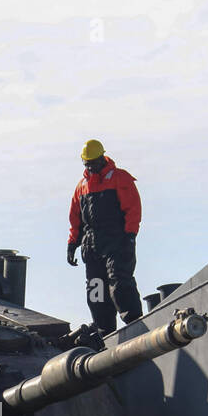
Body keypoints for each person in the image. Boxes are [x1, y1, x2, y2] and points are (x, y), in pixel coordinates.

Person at [66, 139, 143, 335]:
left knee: (119, 283)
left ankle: (135, 322)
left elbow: (132, 209)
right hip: (91, 246)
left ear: (102, 158)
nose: (91, 167)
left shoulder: (120, 178)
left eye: (94, 162)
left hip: (117, 241)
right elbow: (75, 218)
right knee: (96, 289)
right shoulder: (81, 187)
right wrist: (72, 243)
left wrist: (130, 235)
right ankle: (104, 331)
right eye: (87, 163)